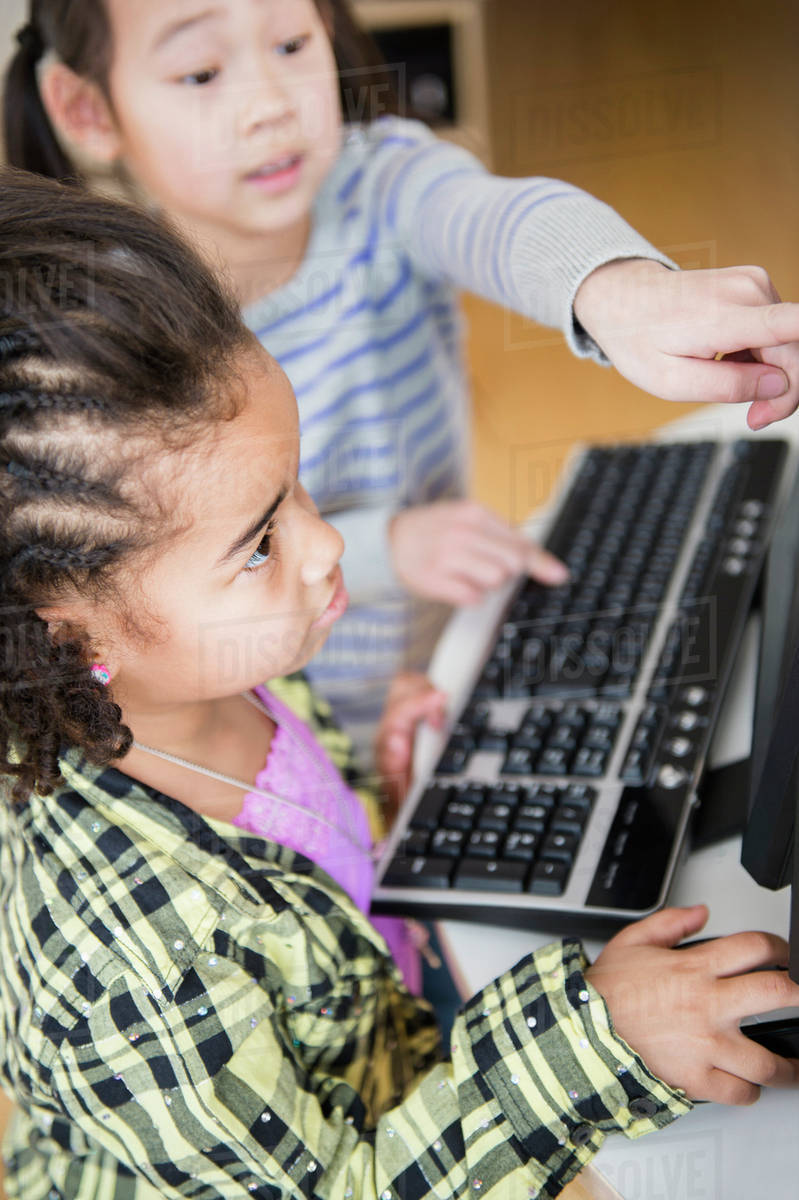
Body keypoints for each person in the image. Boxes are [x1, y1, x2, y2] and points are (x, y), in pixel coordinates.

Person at [1, 170, 798, 1199]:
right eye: (258, 543)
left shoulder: (196, 687)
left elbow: (298, 859)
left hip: (404, 1033)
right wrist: (600, 1040)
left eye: (298, 486)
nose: (330, 545)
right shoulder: (120, 963)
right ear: (69, 638)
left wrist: (377, 798)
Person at [6, 0, 799, 765]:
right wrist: (387, 546)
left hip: (436, 619)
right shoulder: (115, 339)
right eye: (203, 73)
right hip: (275, 689)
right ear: (87, 111)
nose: (271, 105)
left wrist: (618, 290)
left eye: (290, 45)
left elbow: (494, 219)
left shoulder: (378, 177)